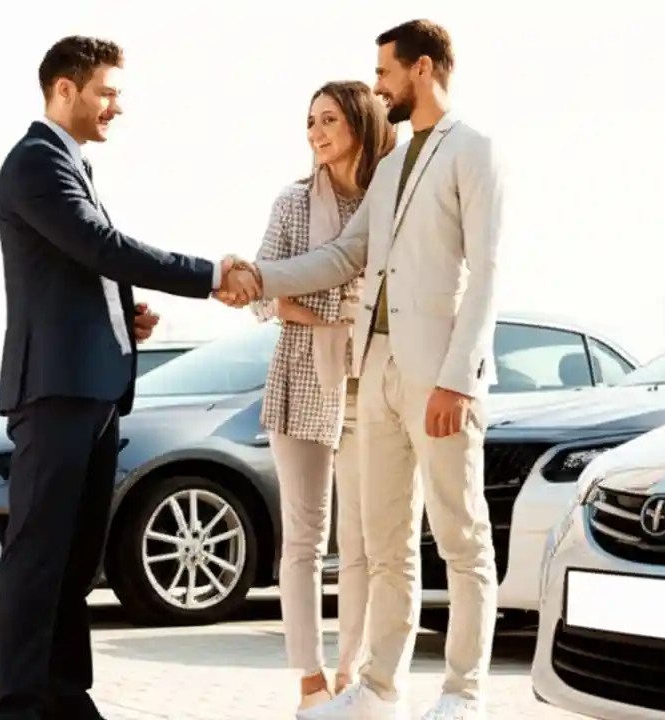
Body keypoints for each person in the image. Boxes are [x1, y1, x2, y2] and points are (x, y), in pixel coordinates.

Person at [217, 19, 504, 720]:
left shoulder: (474, 150)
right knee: (383, 545)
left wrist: (459, 378)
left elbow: (489, 268)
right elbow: (345, 254)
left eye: (385, 74)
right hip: (373, 376)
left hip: (438, 376)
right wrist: (259, 277)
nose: (378, 87)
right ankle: (377, 690)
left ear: (424, 69)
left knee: (462, 538)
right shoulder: (395, 163)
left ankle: (465, 693)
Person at [0, 35, 237, 720]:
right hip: (56, 389)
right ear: (64, 90)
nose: (116, 108)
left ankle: (64, 694)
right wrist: (210, 277)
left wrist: (127, 318)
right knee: (38, 555)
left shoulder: (68, 165)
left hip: (91, 387)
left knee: (73, 557)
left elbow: (81, 268)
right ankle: (16, 706)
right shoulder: (36, 164)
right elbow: (102, 246)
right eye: (107, 93)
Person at [249, 80, 395, 712]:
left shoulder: (389, 201)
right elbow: (263, 293)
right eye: (310, 120)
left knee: (362, 541)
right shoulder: (292, 203)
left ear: (360, 123)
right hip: (301, 376)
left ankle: (351, 674)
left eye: (329, 119)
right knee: (306, 539)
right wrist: (341, 311)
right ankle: (308, 680)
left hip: (374, 377)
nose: (316, 131)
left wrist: (320, 306)